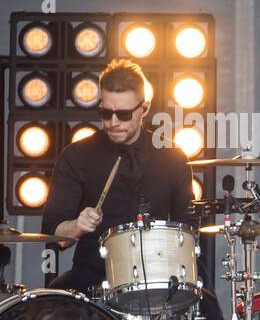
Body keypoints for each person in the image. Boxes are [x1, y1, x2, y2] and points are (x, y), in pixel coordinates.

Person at [42, 58, 195, 291]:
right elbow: (54, 235)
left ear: (144, 109)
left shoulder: (172, 157)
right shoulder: (76, 156)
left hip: (160, 275)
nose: (113, 122)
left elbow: (189, 228)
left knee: (208, 313)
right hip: (93, 277)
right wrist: (78, 225)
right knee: (48, 314)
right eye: (105, 113)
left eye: (123, 114)